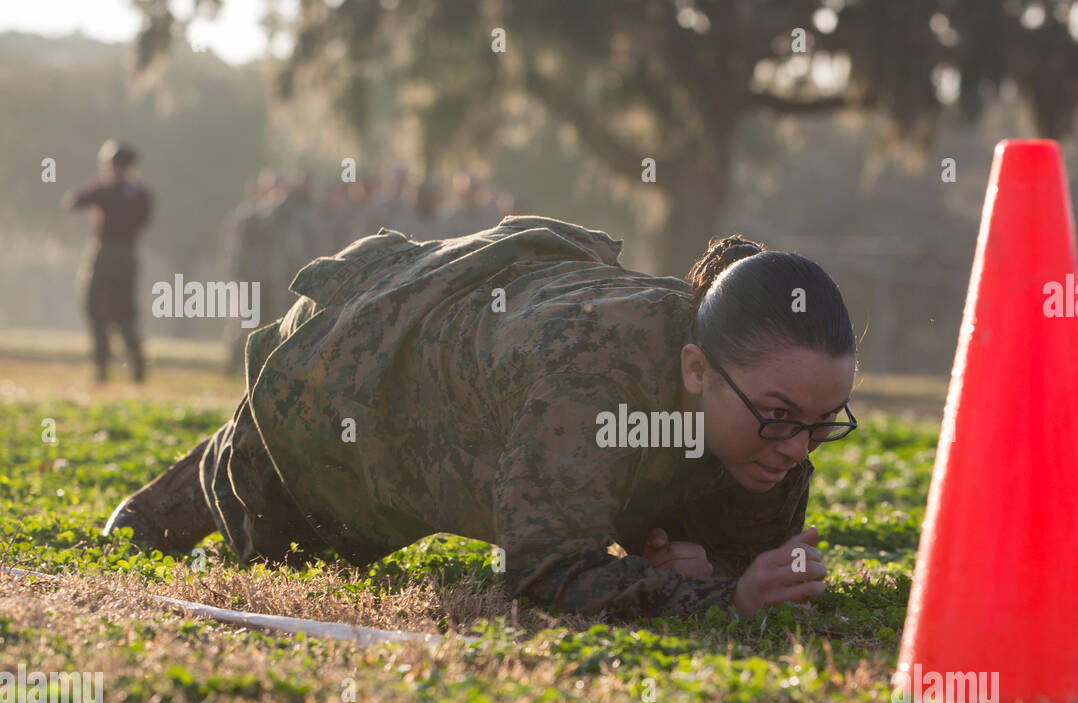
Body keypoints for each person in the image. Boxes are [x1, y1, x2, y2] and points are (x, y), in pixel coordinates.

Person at [101, 215, 859, 620]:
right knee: (293, 542)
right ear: (696, 371)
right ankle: (188, 484)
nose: (796, 450)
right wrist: (720, 597)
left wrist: (718, 571)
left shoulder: (754, 409)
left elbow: (748, 552)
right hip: (343, 406)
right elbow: (541, 572)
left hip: (466, 372)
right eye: (779, 417)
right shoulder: (591, 383)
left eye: (823, 423)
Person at [62, 140, 153, 382]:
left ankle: (102, 367)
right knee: (125, 313)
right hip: (128, 258)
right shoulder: (142, 194)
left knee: (95, 310)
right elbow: (145, 221)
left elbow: (72, 201)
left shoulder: (103, 190)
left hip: (103, 257)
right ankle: (137, 363)